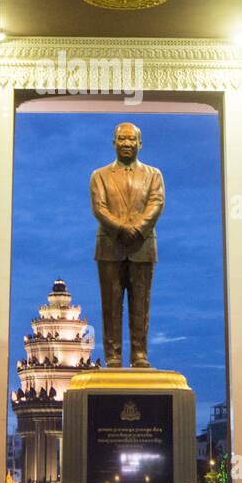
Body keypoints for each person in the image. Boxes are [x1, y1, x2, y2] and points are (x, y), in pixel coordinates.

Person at [89, 122, 165, 367]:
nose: (126, 144)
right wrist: (122, 229)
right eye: (121, 139)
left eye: (131, 139)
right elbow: (99, 208)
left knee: (140, 306)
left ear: (140, 144)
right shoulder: (99, 175)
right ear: (114, 143)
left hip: (142, 247)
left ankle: (139, 355)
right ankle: (112, 356)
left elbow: (156, 204)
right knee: (111, 306)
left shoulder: (154, 174)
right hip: (110, 246)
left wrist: (138, 229)